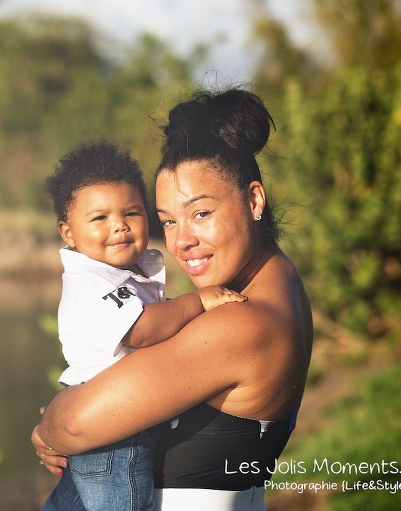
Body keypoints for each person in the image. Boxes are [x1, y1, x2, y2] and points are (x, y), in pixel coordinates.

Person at [32, 88, 313, 511]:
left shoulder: (244, 323)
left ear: (254, 199)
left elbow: (74, 423)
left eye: (201, 213)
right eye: (167, 221)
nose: (182, 241)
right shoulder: (281, 281)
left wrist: (48, 428)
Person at [41, 140, 247, 511]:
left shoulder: (119, 275)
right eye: (100, 218)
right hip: (113, 438)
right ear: (68, 233)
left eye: (131, 213)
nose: (119, 225)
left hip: (111, 420)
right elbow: (144, 329)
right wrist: (197, 301)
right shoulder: (92, 282)